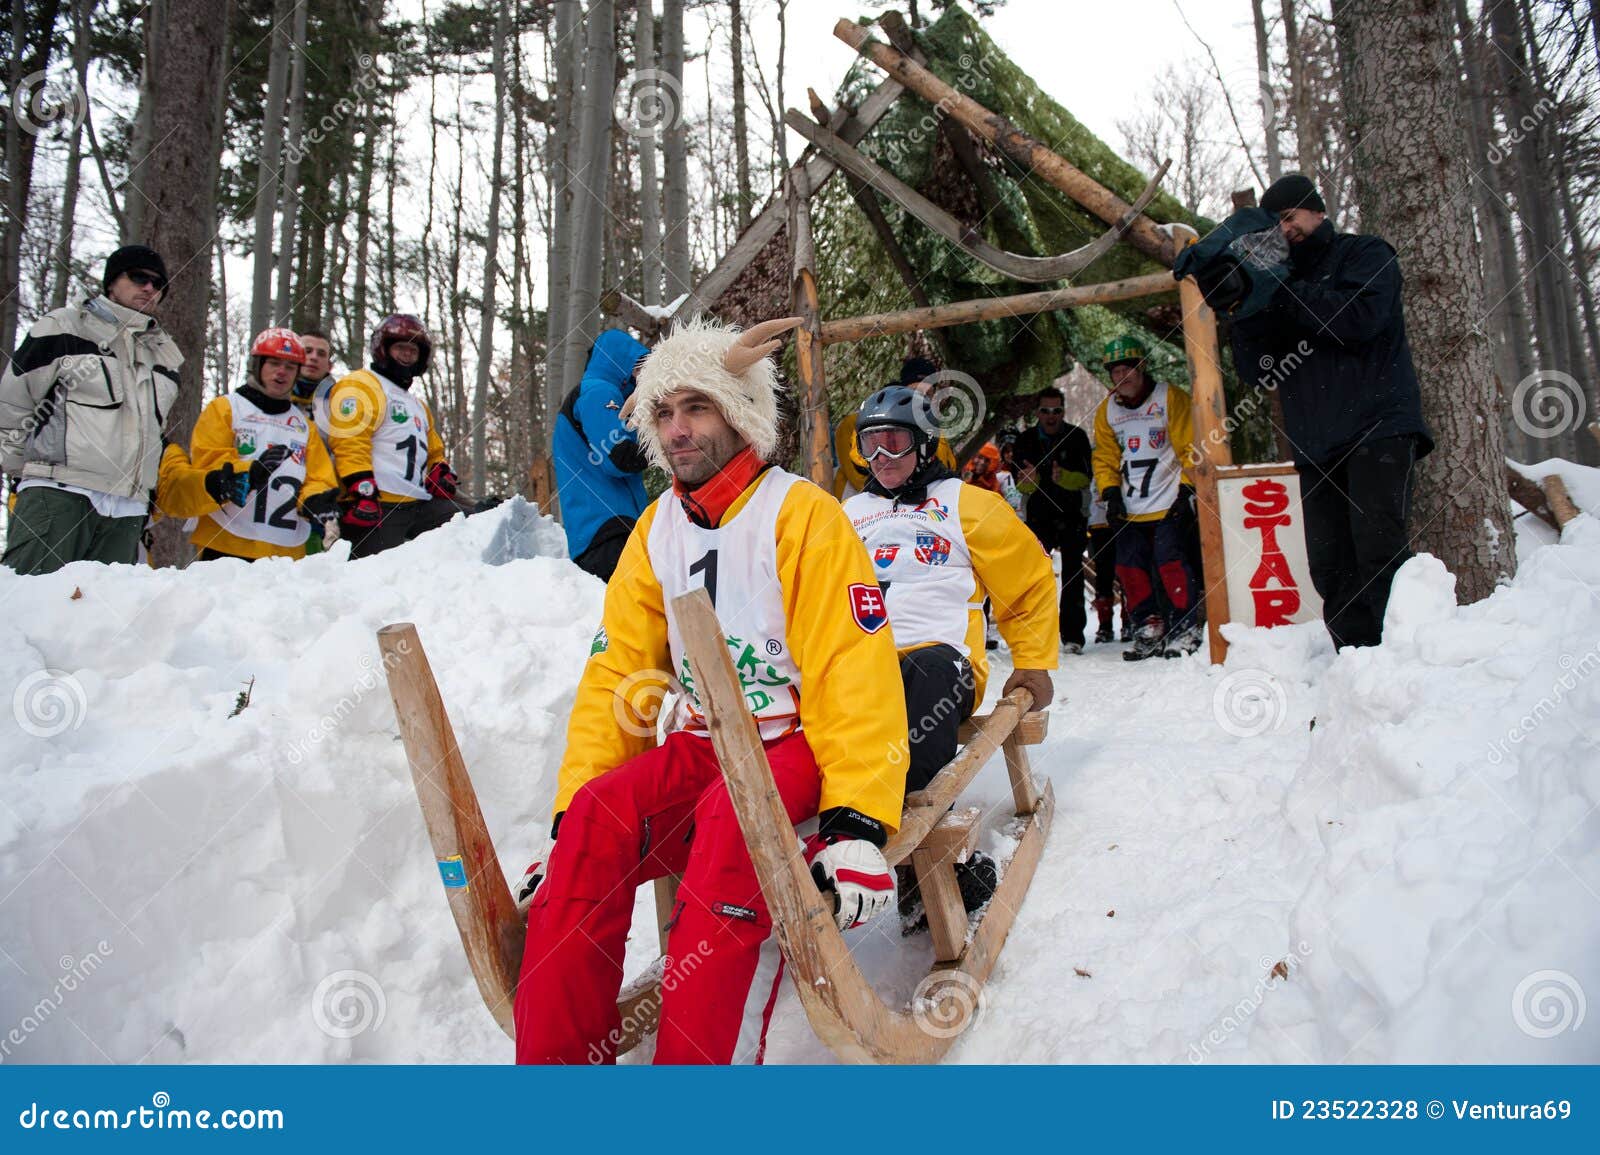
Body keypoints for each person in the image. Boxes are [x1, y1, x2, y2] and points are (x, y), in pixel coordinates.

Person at [512, 316, 907, 1066]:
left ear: (740, 410)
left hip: (791, 745)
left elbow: (852, 672)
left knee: (733, 820)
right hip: (701, 744)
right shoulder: (656, 527)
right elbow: (619, 675)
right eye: (662, 413)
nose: (676, 429)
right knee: (595, 818)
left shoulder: (802, 515)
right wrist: (569, 819)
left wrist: (857, 822)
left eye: (695, 407)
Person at [842, 385, 1057, 915]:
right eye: (871, 444)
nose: (883, 458)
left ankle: (926, 854)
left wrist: (1031, 662)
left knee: (926, 672)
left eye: (895, 442)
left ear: (923, 444)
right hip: (862, 660)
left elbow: (1027, 583)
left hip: (940, 661)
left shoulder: (968, 505)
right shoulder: (847, 513)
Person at [1230, 172, 1433, 649]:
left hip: (1378, 428)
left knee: (1378, 548)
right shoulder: (1281, 287)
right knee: (1329, 563)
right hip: (1316, 443)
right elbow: (1260, 371)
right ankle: (1356, 667)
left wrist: (1281, 289)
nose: (1284, 232)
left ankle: (1401, 663)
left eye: (1289, 218)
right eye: (1273, 227)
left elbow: (1358, 320)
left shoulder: (1365, 254)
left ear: (1317, 210)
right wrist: (1244, 308)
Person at [0, 244, 182, 574]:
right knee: (32, 611)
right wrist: (21, 471)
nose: (149, 288)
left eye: (159, 284)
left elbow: (155, 432)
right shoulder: (64, 326)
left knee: (102, 622)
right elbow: (12, 401)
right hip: (60, 493)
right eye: (139, 277)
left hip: (127, 509)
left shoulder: (165, 356)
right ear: (112, 281)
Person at [157, 329, 339, 561]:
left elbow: (318, 478)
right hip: (227, 542)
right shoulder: (225, 409)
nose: (281, 372)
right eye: (274, 363)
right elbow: (207, 464)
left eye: (290, 367)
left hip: (286, 550)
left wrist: (314, 500)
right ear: (259, 364)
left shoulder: (305, 426)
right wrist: (248, 474)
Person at [1091, 336, 1201, 660]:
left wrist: (1187, 487)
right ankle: (1147, 627)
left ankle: (1184, 628)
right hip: (1130, 506)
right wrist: (1110, 492)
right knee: (1129, 568)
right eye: (1115, 371)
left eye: (1128, 369)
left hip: (1169, 500)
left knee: (1171, 563)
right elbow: (1105, 457)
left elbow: (1190, 445)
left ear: (1142, 368)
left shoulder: (1169, 398)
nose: (1122, 377)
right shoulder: (1107, 410)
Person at [325, 313, 461, 558]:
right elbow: (350, 441)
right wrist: (361, 489)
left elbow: (433, 451)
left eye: (413, 350)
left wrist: (440, 471)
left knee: (472, 529)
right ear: (383, 349)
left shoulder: (417, 404)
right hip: (378, 504)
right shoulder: (362, 384)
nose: (407, 355)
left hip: (418, 503)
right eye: (401, 348)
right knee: (381, 575)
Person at [551, 328, 652, 580]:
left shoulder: (604, 394)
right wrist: (663, 441)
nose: (642, 374)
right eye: (637, 364)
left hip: (605, 530)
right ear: (620, 360)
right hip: (607, 531)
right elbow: (619, 457)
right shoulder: (598, 392)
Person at [1011, 385, 1094, 653]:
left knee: (1073, 575)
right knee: (1035, 579)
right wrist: (1030, 481)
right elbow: (1020, 485)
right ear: (1037, 412)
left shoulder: (1077, 436)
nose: (1051, 416)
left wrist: (1063, 478)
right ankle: (1035, 635)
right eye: (1045, 410)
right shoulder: (1024, 441)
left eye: (1056, 410)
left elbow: (1086, 478)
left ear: (1063, 411)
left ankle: (1073, 637)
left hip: (1071, 516)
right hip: (1038, 518)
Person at [832, 354, 959, 501]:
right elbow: (858, 472)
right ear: (902, 389)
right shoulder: (858, 422)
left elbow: (948, 465)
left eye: (928, 394)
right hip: (863, 504)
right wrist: (890, 498)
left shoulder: (933, 429)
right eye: (915, 391)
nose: (921, 398)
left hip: (921, 505)